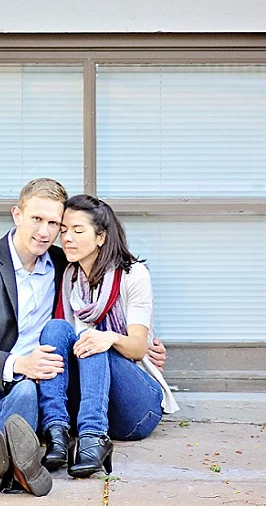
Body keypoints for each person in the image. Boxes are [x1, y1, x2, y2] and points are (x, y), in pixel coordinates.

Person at [0, 180, 170, 496]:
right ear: (17, 215)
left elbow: (108, 302)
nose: (46, 231)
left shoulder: (67, 263)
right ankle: (14, 463)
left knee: (25, 394)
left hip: (42, 381)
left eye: (54, 223)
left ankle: (0, 464)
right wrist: (20, 363)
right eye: (38, 219)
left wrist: (142, 345)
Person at [35, 194, 179, 479]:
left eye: (78, 230)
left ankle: (93, 437)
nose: (67, 238)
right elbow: (64, 345)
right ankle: (57, 433)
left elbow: (138, 347)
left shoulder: (133, 275)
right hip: (91, 397)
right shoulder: (70, 278)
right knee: (55, 329)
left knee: (93, 339)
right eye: (63, 231)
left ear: (100, 237)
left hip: (136, 408)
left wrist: (110, 338)